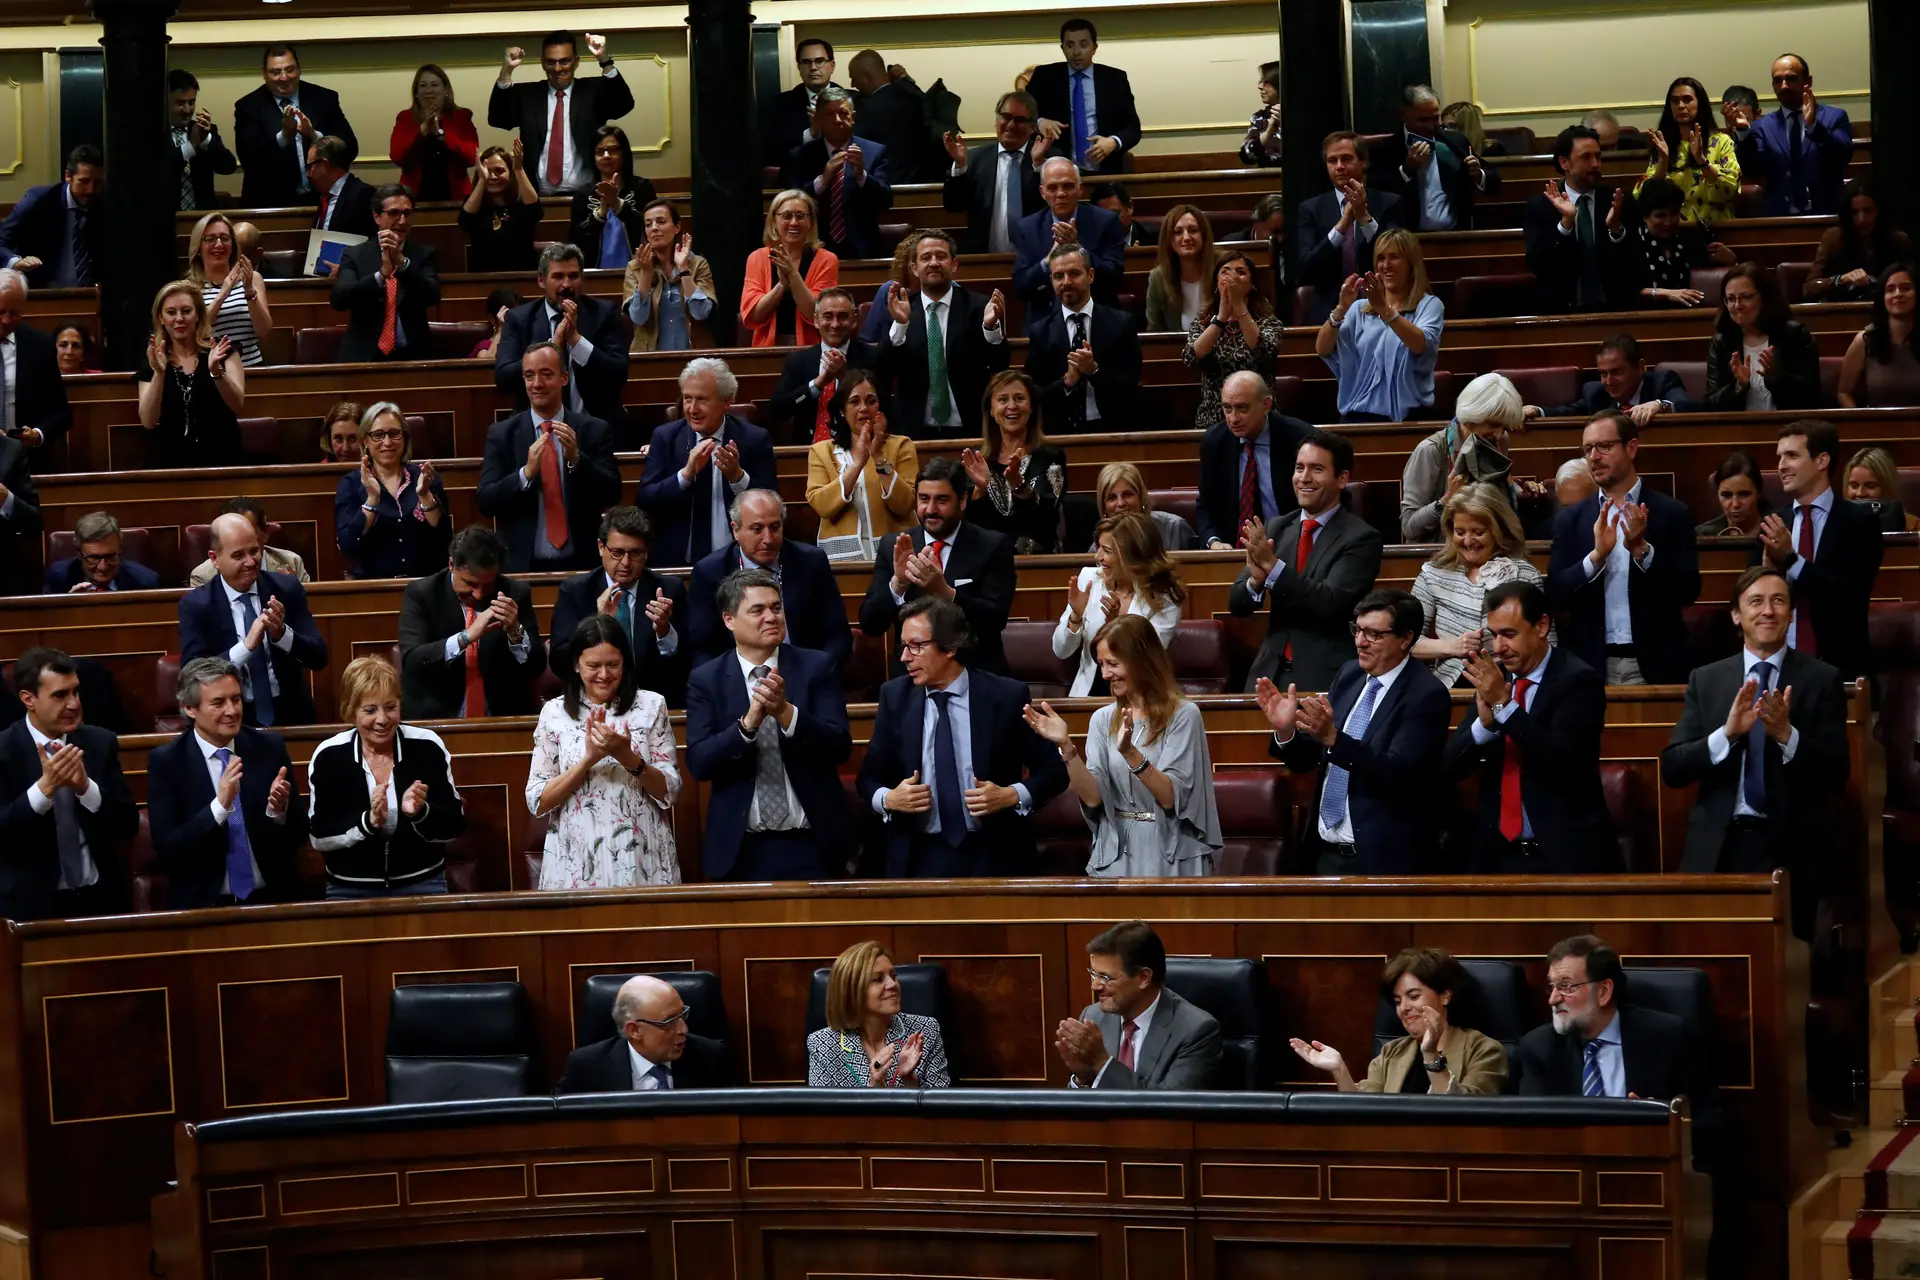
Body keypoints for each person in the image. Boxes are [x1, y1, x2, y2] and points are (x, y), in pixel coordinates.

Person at [1662, 565, 1850, 880]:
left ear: (1790, 614)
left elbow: (1836, 773)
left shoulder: (1822, 679)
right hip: (1715, 848)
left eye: (1778, 601)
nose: (1768, 611)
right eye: (1756, 601)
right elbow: (1673, 768)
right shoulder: (1706, 680)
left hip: (1791, 851)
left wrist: (1786, 735)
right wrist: (1727, 734)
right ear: (1736, 615)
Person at [860, 598, 1066, 878]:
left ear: (950, 648)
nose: (904, 657)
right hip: (920, 855)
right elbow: (867, 779)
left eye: (916, 646)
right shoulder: (895, 698)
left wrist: (1011, 795)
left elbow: (1053, 773)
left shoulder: (1005, 697)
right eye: (903, 646)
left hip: (994, 853)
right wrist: (889, 799)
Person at [1264, 587, 1453, 874]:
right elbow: (1313, 756)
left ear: (1406, 639)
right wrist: (1287, 731)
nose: (1361, 642)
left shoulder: (1426, 695)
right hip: (1324, 854)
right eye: (1358, 630)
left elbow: (1397, 774)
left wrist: (1333, 739)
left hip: (1383, 862)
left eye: (1374, 634)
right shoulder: (1350, 674)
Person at [685, 568, 853, 881]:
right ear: (729, 620)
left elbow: (840, 745)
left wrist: (786, 713)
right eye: (757, 610)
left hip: (812, 841)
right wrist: (746, 726)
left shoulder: (816, 666)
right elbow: (698, 763)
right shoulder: (706, 680)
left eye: (776, 608)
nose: (771, 617)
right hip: (740, 847)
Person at [1442, 580, 1620, 873]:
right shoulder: (1494, 679)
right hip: (1496, 856)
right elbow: (1449, 769)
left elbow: (1562, 763)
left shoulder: (1578, 681)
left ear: (1541, 626)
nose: (1499, 648)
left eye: (1509, 634)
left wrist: (1505, 707)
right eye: (1494, 635)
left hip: (1563, 857)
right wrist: (1483, 727)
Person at [1024, 616, 1222, 876]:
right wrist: (1067, 747)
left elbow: (1170, 797)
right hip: (1117, 854)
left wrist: (1131, 754)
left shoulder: (1183, 715)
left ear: (1140, 660)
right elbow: (1094, 797)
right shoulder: (1102, 719)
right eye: (1102, 664)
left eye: (1113, 664)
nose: (1105, 674)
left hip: (1171, 854)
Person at [1545, 410, 1701, 685]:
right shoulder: (1571, 519)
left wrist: (1642, 550)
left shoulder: (1671, 513)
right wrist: (1596, 557)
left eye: (1604, 446)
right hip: (1589, 664)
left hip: (1656, 664)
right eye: (1588, 449)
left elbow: (1688, 591)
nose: (1593, 457)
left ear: (1631, 448)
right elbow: (1555, 593)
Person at [527, 614, 680, 888]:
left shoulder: (651, 706)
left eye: (613, 664)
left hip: (642, 855)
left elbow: (670, 791)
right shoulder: (554, 713)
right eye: (593, 665)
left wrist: (628, 757)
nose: (604, 674)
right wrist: (587, 760)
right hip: (574, 860)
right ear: (576, 664)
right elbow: (538, 800)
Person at [1229, 428, 1384, 693]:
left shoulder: (1362, 538)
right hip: (1268, 673)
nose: (1304, 478)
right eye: (1299, 468)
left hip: (1324, 676)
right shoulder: (1277, 527)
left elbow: (1330, 603)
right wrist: (1255, 581)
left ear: (1342, 478)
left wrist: (1274, 568)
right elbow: (1237, 605)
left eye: (1317, 469)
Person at [146, 658, 303, 909]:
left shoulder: (268, 749)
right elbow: (168, 848)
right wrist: (219, 807)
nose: (232, 711)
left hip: (270, 902)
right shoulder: (168, 763)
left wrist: (278, 812)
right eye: (218, 703)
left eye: (236, 699)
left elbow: (298, 834)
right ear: (190, 708)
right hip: (203, 906)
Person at [1512, 936, 1718, 1125]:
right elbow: (1532, 1129)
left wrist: (1661, 1121)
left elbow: (1711, 1123)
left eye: (1566, 986)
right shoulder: (1539, 1048)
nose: (1553, 999)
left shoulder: (1669, 1038)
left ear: (1603, 992)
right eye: (1552, 986)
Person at [307, 655, 462, 899]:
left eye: (391, 707)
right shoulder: (329, 756)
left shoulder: (427, 746)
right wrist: (366, 823)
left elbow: (455, 824)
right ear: (351, 711)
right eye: (370, 710)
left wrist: (421, 813)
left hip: (422, 882)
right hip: (350, 888)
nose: (382, 720)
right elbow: (319, 836)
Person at [0, 647, 137, 921]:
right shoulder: (4, 751)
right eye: (60, 695)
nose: (74, 704)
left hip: (101, 900)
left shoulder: (100, 742)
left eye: (75, 691)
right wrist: (42, 791)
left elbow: (127, 824)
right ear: (29, 699)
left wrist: (87, 789)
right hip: (30, 909)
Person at [860, 457, 1018, 676]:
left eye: (942, 500)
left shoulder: (992, 546)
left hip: (976, 675)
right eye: (924, 499)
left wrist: (945, 593)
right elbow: (870, 624)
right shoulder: (894, 546)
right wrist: (898, 584)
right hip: (911, 681)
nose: (931, 509)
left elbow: (995, 620)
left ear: (962, 500)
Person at [478, 341, 624, 574]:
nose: (536, 384)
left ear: (564, 378)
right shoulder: (502, 434)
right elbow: (485, 500)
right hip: (522, 569)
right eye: (529, 375)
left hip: (583, 566)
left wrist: (577, 460)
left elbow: (612, 492)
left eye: (546, 374)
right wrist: (525, 475)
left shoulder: (593, 430)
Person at [1755, 419, 1883, 681]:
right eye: (1779, 457)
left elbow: (1848, 597)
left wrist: (1791, 559)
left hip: (1841, 676)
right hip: (1778, 674)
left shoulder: (1859, 524)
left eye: (1791, 456)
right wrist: (1767, 573)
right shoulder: (1773, 524)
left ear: (1821, 461)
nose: (1781, 466)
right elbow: (1749, 600)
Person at [179, 513, 329, 727]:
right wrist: (246, 647)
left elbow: (319, 657)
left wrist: (282, 635)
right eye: (238, 555)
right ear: (214, 559)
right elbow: (192, 678)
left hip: (290, 716)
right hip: (229, 723)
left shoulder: (286, 589)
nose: (250, 562)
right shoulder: (196, 606)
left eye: (254, 551)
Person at [1291, 948, 1508, 1094]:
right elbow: (1364, 1115)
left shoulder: (1484, 1050)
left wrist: (1430, 1054)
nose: (1404, 1008)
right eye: (1397, 1001)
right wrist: (1339, 1069)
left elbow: (1466, 1115)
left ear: (1445, 995)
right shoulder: (1391, 1053)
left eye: (1414, 996)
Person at [635, 357, 779, 569]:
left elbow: (773, 503)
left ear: (727, 401)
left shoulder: (754, 439)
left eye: (702, 400)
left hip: (740, 565)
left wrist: (738, 477)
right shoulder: (665, 437)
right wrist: (685, 475)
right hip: (678, 563)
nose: (692, 409)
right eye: (687, 399)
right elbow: (644, 500)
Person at [687, 488, 852, 669]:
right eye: (757, 529)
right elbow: (701, 648)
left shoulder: (810, 562)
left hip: (805, 675)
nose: (768, 539)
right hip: (738, 681)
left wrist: (813, 674)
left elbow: (838, 635)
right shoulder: (711, 572)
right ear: (736, 530)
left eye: (775, 527)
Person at [1051, 920, 1222, 1090]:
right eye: (1093, 974)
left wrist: (1102, 1063)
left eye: (1106, 977)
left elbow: (1168, 1109)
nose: (1094, 986)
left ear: (1143, 978)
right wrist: (1083, 1079)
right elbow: (1078, 1111)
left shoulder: (1195, 1031)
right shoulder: (1093, 1018)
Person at [397, 525, 545, 720]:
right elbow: (413, 660)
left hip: (501, 722)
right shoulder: (422, 594)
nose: (479, 594)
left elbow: (536, 667)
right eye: (471, 583)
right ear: (452, 565)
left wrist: (515, 632)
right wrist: (465, 637)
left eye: (488, 584)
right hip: (437, 720)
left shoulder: (514, 594)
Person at [549, 506, 689, 703]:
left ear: (646, 552)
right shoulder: (575, 591)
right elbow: (558, 661)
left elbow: (684, 662)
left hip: (652, 700)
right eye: (617, 552)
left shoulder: (668, 590)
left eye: (635, 553)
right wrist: (598, 623)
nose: (625, 562)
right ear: (601, 547)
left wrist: (664, 631)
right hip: (593, 701)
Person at [884, 229, 1011, 440]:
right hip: (914, 431)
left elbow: (1000, 364)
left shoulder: (979, 307)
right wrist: (900, 325)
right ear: (915, 269)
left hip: (971, 428)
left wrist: (990, 328)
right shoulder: (901, 311)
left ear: (954, 264)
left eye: (941, 256)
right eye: (926, 258)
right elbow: (884, 371)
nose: (934, 262)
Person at [1412, 485, 1544, 688]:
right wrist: (1452, 646)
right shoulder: (1433, 573)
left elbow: (1545, 643)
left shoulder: (1524, 574)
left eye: (1478, 532)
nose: (1468, 541)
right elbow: (1405, 640)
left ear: (1498, 530)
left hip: (1510, 682)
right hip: (1447, 685)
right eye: (1460, 532)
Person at [494, 243, 630, 429]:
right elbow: (504, 379)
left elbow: (618, 374)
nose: (566, 284)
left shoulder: (604, 313)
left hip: (596, 431)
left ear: (582, 279)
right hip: (536, 432)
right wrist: (551, 348)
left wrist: (576, 340)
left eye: (573, 276)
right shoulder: (519, 319)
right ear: (541, 280)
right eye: (558, 276)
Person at [1316, 227, 1442, 423]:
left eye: (1394, 257)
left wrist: (1383, 308)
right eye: (1381, 258)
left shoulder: (1429, 305)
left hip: (1411, 420)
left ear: (1411, 263)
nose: (1386, 265)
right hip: (1358, 416)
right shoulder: (1359, 309)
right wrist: (1341, 308)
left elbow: (1420, 344)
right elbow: (1323, 349)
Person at [490, 29, 635, 197]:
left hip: (588, 195)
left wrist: (604, 60)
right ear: (543, 63)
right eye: (551, 62)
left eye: (564, 61)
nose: (557, 68)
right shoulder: (528, 95)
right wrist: (506, 72)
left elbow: (623, 105)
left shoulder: (593, 91)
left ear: (576, 62)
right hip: (535, 196)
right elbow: (498, 119)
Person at [1056, 512, 1183, 697]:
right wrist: (1075, 616)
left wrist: (1118, 625)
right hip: (1088, 696)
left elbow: (1146, 659)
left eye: (1107, 551)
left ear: (1132, 556)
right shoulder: (1089, 580)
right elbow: (1061, 650)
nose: (1098, 557)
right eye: (1098, 547)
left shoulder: (1164, 598)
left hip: (1138, 697)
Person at [1024, 245, 1140, 436]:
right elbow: (1034, 394)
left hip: (1113, 428)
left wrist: (1094, 371)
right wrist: (1067, 382)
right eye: (1059, 276)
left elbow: (1130, 384)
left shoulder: (1121, 324)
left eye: (1074, 273)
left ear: (1091, 275)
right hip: (1060, 432)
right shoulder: (1040, 332)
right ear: (1051, 280)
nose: (1066, 282)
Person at [807, 370, 919, 563]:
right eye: (854, 401)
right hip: (842, 559)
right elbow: (822, 505)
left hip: (896, 555)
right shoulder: (821, 451)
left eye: (871, 401)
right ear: (842, 410)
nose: (863, 408)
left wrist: (878, 457)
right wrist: (858, 463)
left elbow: (905, 504)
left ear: (881, 407)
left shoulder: (901, 446)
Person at [1296, 132, 1405, 324]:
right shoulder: (1311, 209)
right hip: (1330, 307)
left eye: (1346, 159)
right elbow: (1306, 268)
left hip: (1383, 302)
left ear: (1364, 162)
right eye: (1332, 160)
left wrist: (1364, 218)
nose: (1339, 166)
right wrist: (1341, 226)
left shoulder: (1390, 203)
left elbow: (1397, 256)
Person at [807, 942, 951, 1087]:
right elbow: (822, 1109)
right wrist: (874, 1087)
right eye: (877, 979)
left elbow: (942, 1105)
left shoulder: (925, 1030)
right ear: (851, 991)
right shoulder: (822, 1044)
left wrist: (910, 1081)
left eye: (893, 976)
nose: (892, 984)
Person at [1401, 372, 1522, 541]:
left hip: (1489, 548)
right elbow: (1410, 528)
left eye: (1505, 427)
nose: (1500, 434)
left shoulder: (1498, 441)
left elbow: (1491, 491)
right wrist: (1448, 499)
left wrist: (1518, 490)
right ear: (1471, 418)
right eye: (1494, 425)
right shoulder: (1430, 450)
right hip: (1441, 555)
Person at [557, 974, 731, 1092]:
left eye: (682, 1014)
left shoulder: (710, 1058)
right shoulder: (586, 1067)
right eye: (669, 1021)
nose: (683, 1029)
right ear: (634, 1030)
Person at [333, 403, 449, 579]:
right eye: (378, 435)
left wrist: (425, 496)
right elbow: (348, 546)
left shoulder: (425, 477)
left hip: (425, 586)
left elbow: (445, 539)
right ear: (365, 441)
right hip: (373, 587)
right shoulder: (351, 484)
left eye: (394, 434)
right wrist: (372, 499)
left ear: (404, 438)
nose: (387, 443)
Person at [233, 44, 357, 207]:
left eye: (289, 70)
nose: (284, 78)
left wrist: (314, 136)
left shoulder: (324, 98)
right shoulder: (248, 107)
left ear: (299, 69)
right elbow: (250, 161)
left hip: (323, 202)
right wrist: (284, 137)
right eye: (275, 72)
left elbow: (350, 150)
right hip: (271, 203)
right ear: (264, 73)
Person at [1197, 372, 1309, 551]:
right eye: (1227, 408)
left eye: (1242, 408)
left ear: (1266, 405)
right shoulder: (1214, 442)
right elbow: (1205, 506)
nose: (1233, 418)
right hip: (1233, 551)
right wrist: (1213, 541)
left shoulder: (1300, 439)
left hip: (1291, 547)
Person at [1524, 125, 1631, 313]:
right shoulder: (1540, 207)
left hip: (1614, 309)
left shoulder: (1617, 200)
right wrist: (1565, 224)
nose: (1596, 164)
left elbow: (1634, 261)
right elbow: (1539, 266)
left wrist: (1616, 230)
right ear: (1564, 162)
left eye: (1598, 156)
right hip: (1560, 311)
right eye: (1586, 157)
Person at [329, 184, 440, 363]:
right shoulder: (355, 254)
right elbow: (339, 300)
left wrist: (402, 263)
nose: (402, 221)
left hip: (414, 355)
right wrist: (380, 277)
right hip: (363, 355)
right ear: (376, 216)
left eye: (407, 214)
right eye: (394, 213)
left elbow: (432, 296)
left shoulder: (424, 254)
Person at [960, 370, 1067, 555]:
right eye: (1002, 400)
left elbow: (1047, 516)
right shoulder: (976, 460)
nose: (1012, 406)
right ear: (991, 410)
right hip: (988, 562)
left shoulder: (1051, 457)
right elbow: (969, 526)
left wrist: (1019, 486)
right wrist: (980, 489)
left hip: (1038, 562)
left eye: (1019, 398)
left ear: (1031, 407)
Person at [780, 87, 893, 261]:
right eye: (829, 115)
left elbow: (885, 201)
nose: (837, 120)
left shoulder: (874, 152)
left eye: (843, 113)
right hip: (812, 249)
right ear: (818, 119)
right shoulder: (799, 156)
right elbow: (791, 203)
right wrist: (822, 180)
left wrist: (862, 176)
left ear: (853, 117)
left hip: (862, 251)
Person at [137, 281, 243, 466]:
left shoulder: (223, 351)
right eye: (171, 312)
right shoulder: (153, 360)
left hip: (223, 458)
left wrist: (216, 372)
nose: (179, 318)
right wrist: (159, 374)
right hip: (172, 462)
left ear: (198, 315)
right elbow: (148, 421)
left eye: (186, 311)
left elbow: (237, 404)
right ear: (161, 318)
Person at [1012, 157, 1127, 327]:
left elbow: (1114, 278)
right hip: (1045, 324)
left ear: (1080, 189)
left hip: (1098, 320)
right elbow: (1020, 288)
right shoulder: (1027, 228)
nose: (1060, 194)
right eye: (1052, 188)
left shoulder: (1106, 222)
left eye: (1067, 186)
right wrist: (1047, 261)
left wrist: (1078, 249)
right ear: (1042, 193)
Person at [1374, 85, 1500, 234]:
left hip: (1457, 236)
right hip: (1408, 240)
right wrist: (1406, 171)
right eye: (1423, 120)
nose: (1430, 126)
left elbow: (1495, 182)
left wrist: (1479, 174)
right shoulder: (1384, 149)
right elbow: (1377, 196)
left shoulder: (1455, 142)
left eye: (1435, 118)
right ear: (1404, 115)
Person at [767, 287, 882, 444]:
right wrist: (816, 385)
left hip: (858, 448)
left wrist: (846, 378)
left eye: (842, 317)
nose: (835, 324)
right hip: (808, 450)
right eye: (828, 317)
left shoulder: (872, 357)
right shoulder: (798, 361)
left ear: (854, 320)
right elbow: (778, 411)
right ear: (816, 320)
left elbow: (884, 407)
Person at [1027, 18, 1141, 177]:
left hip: (1105, 175)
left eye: (1083, 44)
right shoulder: (1044, 76)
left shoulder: (1115, 79)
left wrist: (1112, 142)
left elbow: (1133, 128)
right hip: (1056, 175)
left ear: (1094, 47)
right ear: (1062, 48)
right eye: (1070, 45)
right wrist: (1040, 122)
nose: (1076, 52)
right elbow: (1023, 116)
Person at [1183, 250, 1284, 428]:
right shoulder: (1202, 324)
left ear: (1252, 285)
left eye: (1241, 272)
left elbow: (1263, 352)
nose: (1233, 277)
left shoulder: (1269, 322)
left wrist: (1238, 305)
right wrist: (1221, 318)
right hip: (1214, 420)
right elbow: (1190, 358)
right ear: (1216, 283)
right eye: (1225, 271)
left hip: (1260, 420)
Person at [1705, 262, 1821, 411]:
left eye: (1746, 297)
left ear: (1765, 298)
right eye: (1731, 299)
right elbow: (1710, 403)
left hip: (1789, 426)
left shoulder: (1794, 334)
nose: (1737, 305)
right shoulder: (1722, 341)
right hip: (1738, 429)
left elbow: (1812, 397)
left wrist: (1776, 378)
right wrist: (1739, 386)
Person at [1746, 53, 1852, 216]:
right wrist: (1742, 133)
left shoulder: (1834, 117)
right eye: (1777, 80)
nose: (1784, 86)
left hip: (1826, 216)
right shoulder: (1762, 126)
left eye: (1791, 79)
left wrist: (1814, 126)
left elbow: (1842, 157)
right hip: (1779, 220)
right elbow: (1752, 170)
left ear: (1808, 81)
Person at [940, 89, 1044, 255]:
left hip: (1037, 261)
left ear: (1032, 127)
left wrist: (1039, 166)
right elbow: (954, 206)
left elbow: (1051, 205)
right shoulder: (974, 159)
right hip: (986, 258)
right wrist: (960, 167)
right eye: (1006, 117)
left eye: (1019, 120)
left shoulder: (1049, 157)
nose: (1010, 125)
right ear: (996, 119)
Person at [1635, 76, 1740, 226]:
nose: (1680, 105)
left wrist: (1702, 162)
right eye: (1675, 101)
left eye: (1687, 99)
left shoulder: (1721, 141)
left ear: (1700, 104)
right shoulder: (1664, 144)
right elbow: (1642, 197)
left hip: (1715, 228)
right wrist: (1663, 164)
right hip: (1672, 228)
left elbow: (1732, 190)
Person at [741, 190, 839, 348]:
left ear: (810, 222)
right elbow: (752, 316)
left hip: (812, 349)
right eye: (786, 216)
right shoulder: (757, 258)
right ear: (774, 221)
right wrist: (780, 286)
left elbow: (817, 314)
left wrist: (793, 275)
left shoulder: (826, 260)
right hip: (767, 349)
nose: (794, 222)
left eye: (800, 216)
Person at [1620, 176, 1736, 310]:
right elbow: (1626, 291)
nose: (1668, 222)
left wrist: (1731, 260)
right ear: (1645, 216)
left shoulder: (1691, 241)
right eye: (1660, 215)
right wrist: (1666, 293)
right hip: (1645, 318)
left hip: (1687, 316)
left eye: (1674, 214)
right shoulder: (1632, 243)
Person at [1527, 333, 1699, 422]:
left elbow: (1689, 406)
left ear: (1640, 367)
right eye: (1603, 374)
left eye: (1617, 372)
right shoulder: (1595, 393)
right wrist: (1537, 411)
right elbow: (1567, 413)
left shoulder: (1663, 381)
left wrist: (1660, 405)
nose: (1608, 382)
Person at [0, 145, 103, 290]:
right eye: (84, 181)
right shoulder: (38, 201)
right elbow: (1, 242)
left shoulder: (106, 206)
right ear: (68, 176)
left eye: (97, 183)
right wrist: (15, 262)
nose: (91, 190)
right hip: (44, 295)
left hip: (94, 297)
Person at [625, 200, 715, 354]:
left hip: (694, 358)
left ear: (677, 227)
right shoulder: (634, 268)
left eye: (661, 222)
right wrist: (645, 273)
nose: (654, 228)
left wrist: (684, 270)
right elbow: (638, 318)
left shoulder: (698, 264)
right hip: (651, 359)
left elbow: (701, 313)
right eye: (648, 224)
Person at [185, 213, 272, 369]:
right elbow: (194, 332)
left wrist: (249, 291)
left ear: (232, 246)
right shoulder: (189, 287)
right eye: (210, 239)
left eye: (225, 238)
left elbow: (264, 330)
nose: (219, 244)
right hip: (211, 372)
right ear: (198, 247)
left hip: (251, 368)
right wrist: (223, 294)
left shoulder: (253, 278)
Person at [566, 125, 656, 270]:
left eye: (613, 150)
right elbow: (577, 240)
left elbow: (648, 230)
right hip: (593, 274)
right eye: (600, 152)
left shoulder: (642, 188)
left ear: (624, 153)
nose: (606, 156)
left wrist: (617, 204)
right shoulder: (583, 194)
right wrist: (602, 211)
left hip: (639, 272)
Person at [0, 270, 69, 457]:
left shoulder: (41, 346)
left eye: (14, 313)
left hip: (25, 462)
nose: (6, 320)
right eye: (0, 311)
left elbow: (61, 411)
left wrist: (37, 434)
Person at [1810, 180, 1910, 303]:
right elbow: (1809, 287)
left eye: (1868, 211)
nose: (1861, 219)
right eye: (1854, 212)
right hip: (1843, 311)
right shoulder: (1833, 238)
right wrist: (1840, 280)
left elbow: (1911, 283)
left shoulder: (1898, 240)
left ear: (1879, 211)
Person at [389, 64, 476, 203]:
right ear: (416, 91)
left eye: (434, 85)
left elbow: (471, 158)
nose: (429, 90)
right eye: (423, 85)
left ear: (446, 89)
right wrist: (422, 130)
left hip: (455, 195)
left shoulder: (461, 117)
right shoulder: (406, 118)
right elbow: (397, 156)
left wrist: (444, 136)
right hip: (415, 196)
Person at [1838, 266, 1920, 409]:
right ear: (1882, 298)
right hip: (1876, 428)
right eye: (1890, 289)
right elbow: (1844, 392)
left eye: (1906, 288)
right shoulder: (1865, 340)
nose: (1898, 294)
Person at [187, 497, 311, 588]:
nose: (250, 562)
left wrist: (293, 591)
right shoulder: (203, 577)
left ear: (265, 533)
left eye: (249, 532)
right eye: (235, 533)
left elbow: (310, 614)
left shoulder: (292, 563)